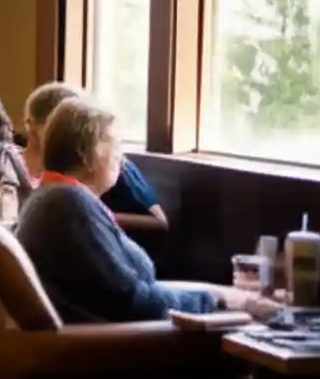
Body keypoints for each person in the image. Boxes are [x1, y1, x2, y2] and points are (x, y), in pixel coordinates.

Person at [15, 96, 277, 322]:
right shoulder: (67, 206)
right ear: (88, 152)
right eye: (115, 143)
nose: (121, 154)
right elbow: (133, 301)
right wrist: (220, 301)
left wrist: (228, 296)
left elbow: (133, 291)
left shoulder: (55, 198)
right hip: (116, 352)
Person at [22, 81, 168, 231]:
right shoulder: (52, 170)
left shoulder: (118, 166)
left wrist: (99, 215)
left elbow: (160, 221)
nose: (58, 132)